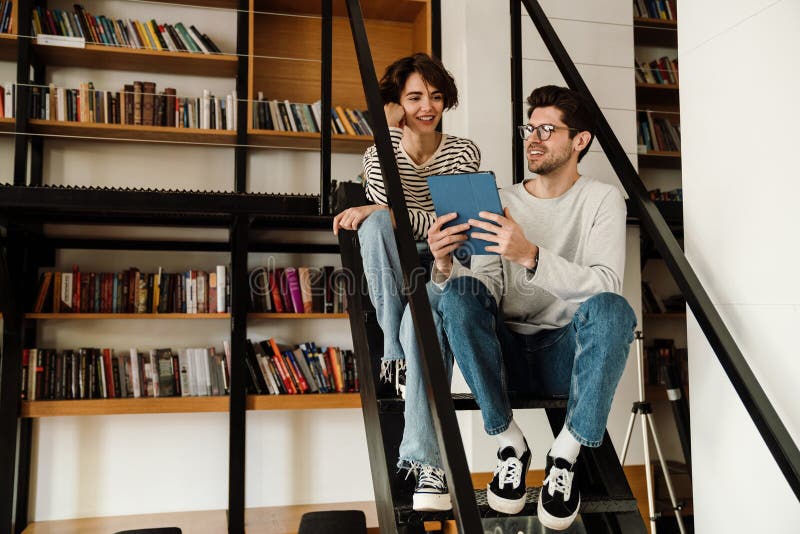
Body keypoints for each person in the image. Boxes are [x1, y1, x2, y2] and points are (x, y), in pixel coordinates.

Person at [397, 85, 636, 530]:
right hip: (504, 357)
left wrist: (530, 255)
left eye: (547, 130)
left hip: (565, 358)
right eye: (530, 129)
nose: (533, 139)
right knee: (459, 294)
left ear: (580, 140)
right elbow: (484, 287)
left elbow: (605, 285)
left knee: (613, 309)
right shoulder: (502, 199)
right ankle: (510, 444)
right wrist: (445, 266)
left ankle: (564, 456)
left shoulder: (602, 199)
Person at [332, 53, 481, 393]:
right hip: (395, 258)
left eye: (436, 97)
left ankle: (402, 356)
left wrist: (394, 215)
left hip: (448, 256)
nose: (427, 107)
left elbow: (455, 224)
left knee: (380, 218)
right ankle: (394, 348)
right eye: (414, 98)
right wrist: (386, 133)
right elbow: (385, 205)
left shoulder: (463, 151)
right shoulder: (377, 154)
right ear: (396, 105)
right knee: (375, 224)